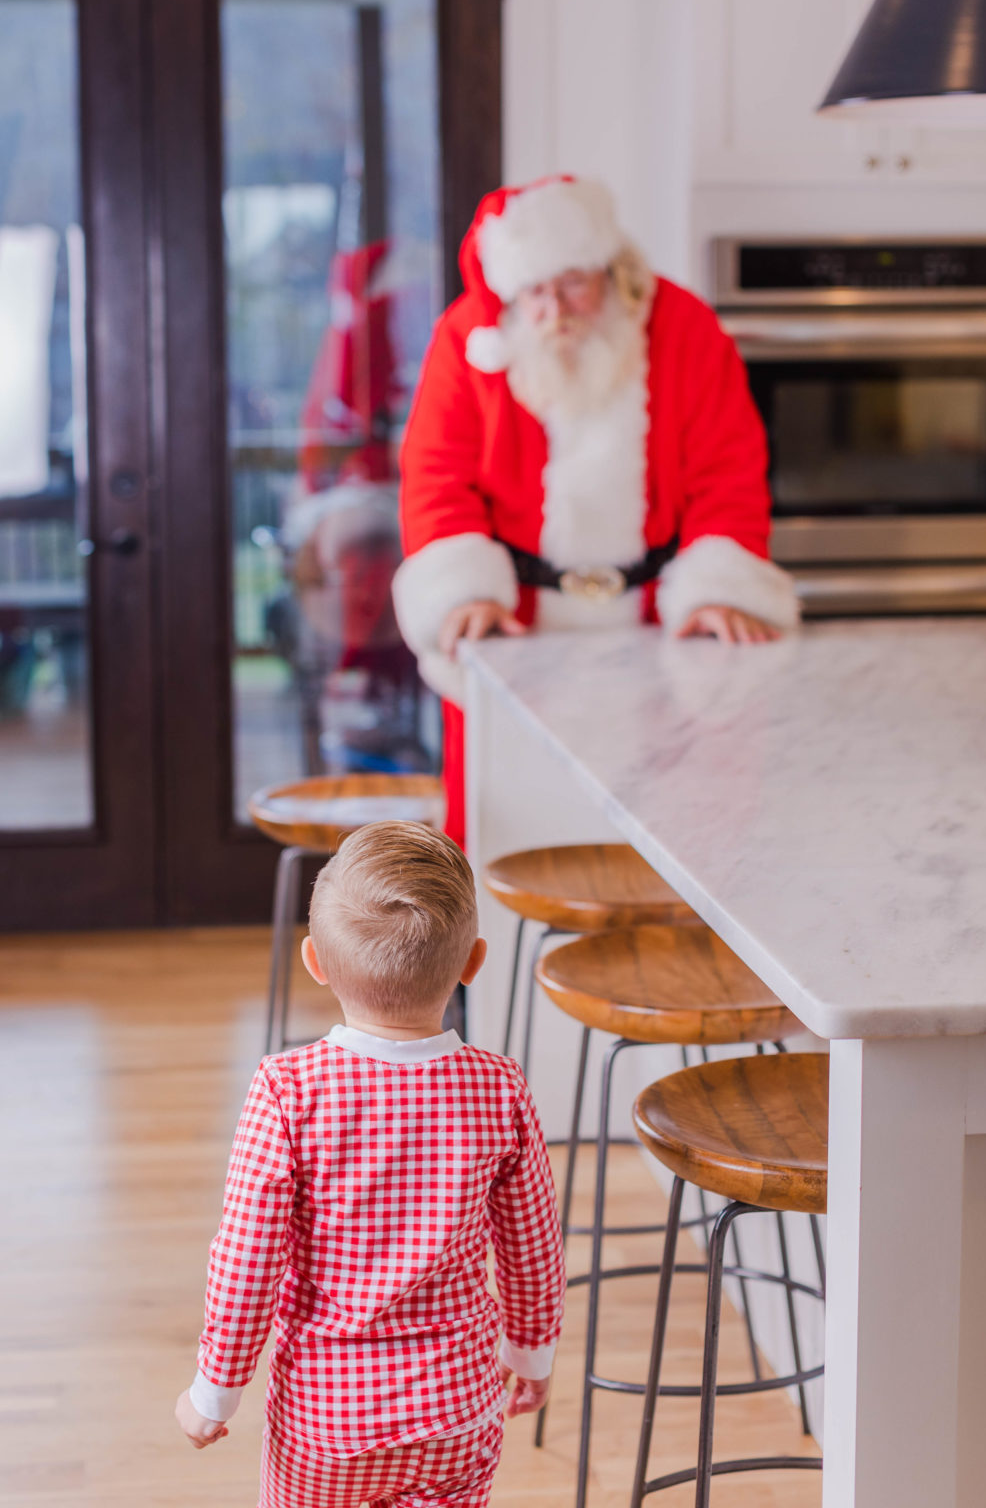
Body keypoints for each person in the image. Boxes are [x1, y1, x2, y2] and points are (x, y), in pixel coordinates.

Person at [392, 175, 800, 843]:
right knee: (512, 844)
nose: (556, 309)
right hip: (520, 627)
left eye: (573, 282)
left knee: (681, 838)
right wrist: (463, 594)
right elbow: (436, 475)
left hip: (660, 636)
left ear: (609, 269)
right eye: (536, 291)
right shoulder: (467, 341)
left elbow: (729, 471)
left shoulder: (685, 327)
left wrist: (718, 590)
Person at [174, 821, 565, 1508]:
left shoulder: (289, 1091)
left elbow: (247, 1257)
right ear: (473, 962)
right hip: (459, 1408)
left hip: (326, 1421)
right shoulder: (499, 1087)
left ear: (315, 962)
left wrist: (216, 1389)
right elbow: (533, 1243)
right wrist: (532, 1353)